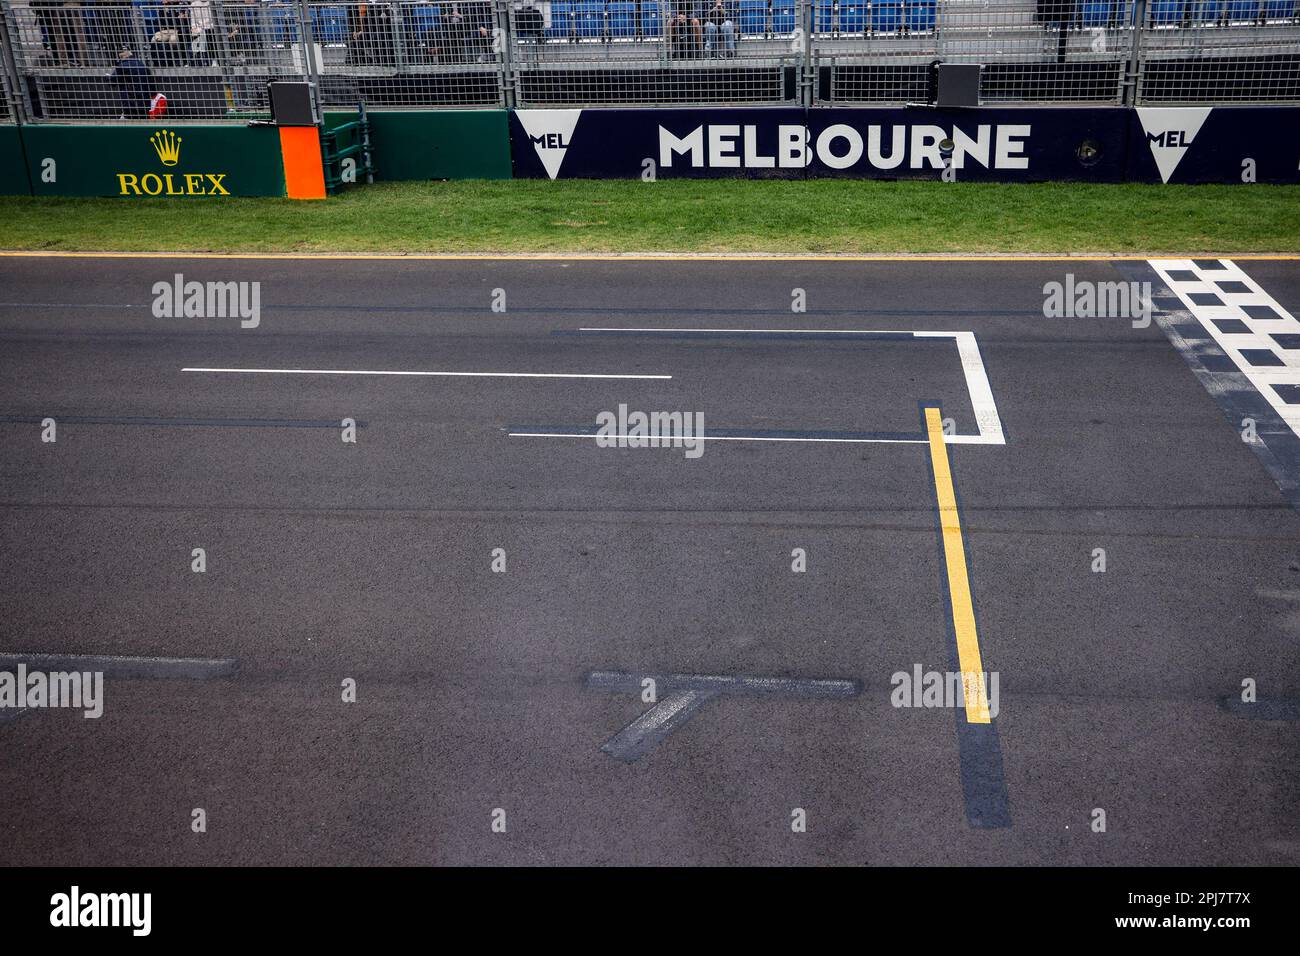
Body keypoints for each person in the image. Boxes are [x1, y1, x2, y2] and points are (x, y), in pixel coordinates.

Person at [111, 47, 153, 118]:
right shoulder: (141, 64)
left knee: (126, 123)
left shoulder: (122, 66)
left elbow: (112, 81)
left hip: (131, 102)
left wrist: (107, 77)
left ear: (121, 56)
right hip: (146, 102)